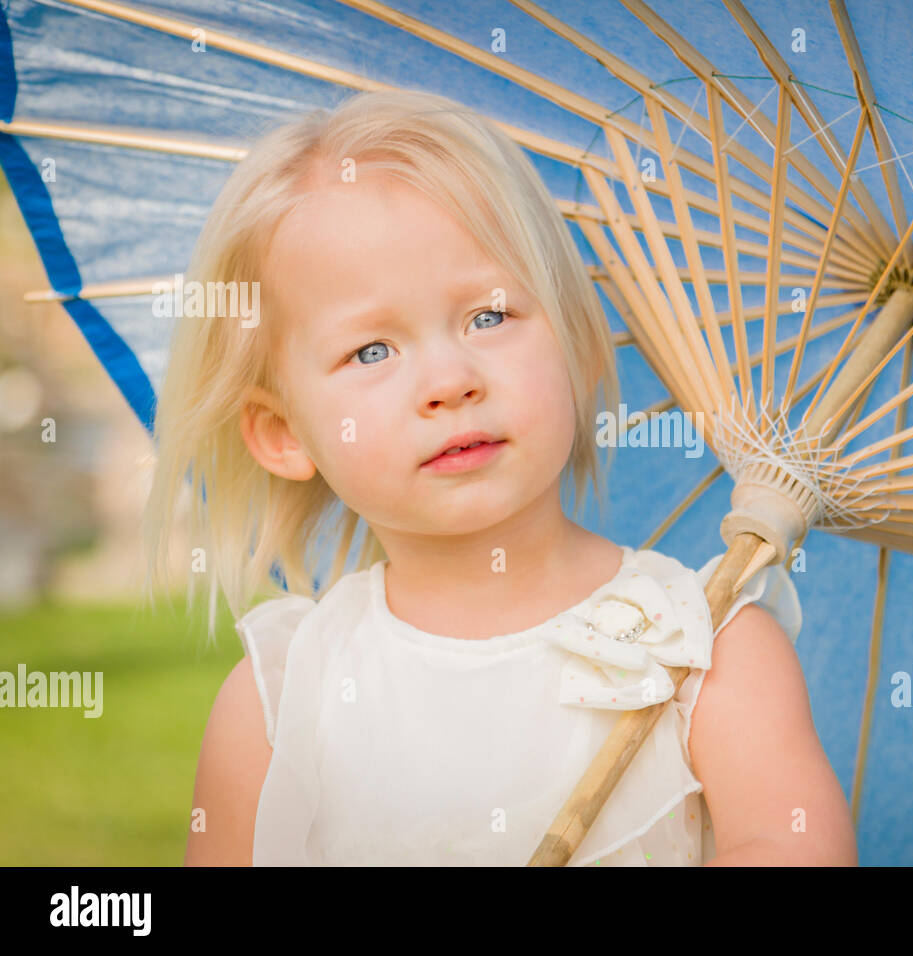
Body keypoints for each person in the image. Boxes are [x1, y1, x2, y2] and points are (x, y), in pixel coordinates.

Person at [141, 89, 855, 866]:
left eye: (489, 317)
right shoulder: (279, 703)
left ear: (580, 350)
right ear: (283, 434)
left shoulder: (704, 650)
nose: (449, 379)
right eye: (371, 351)